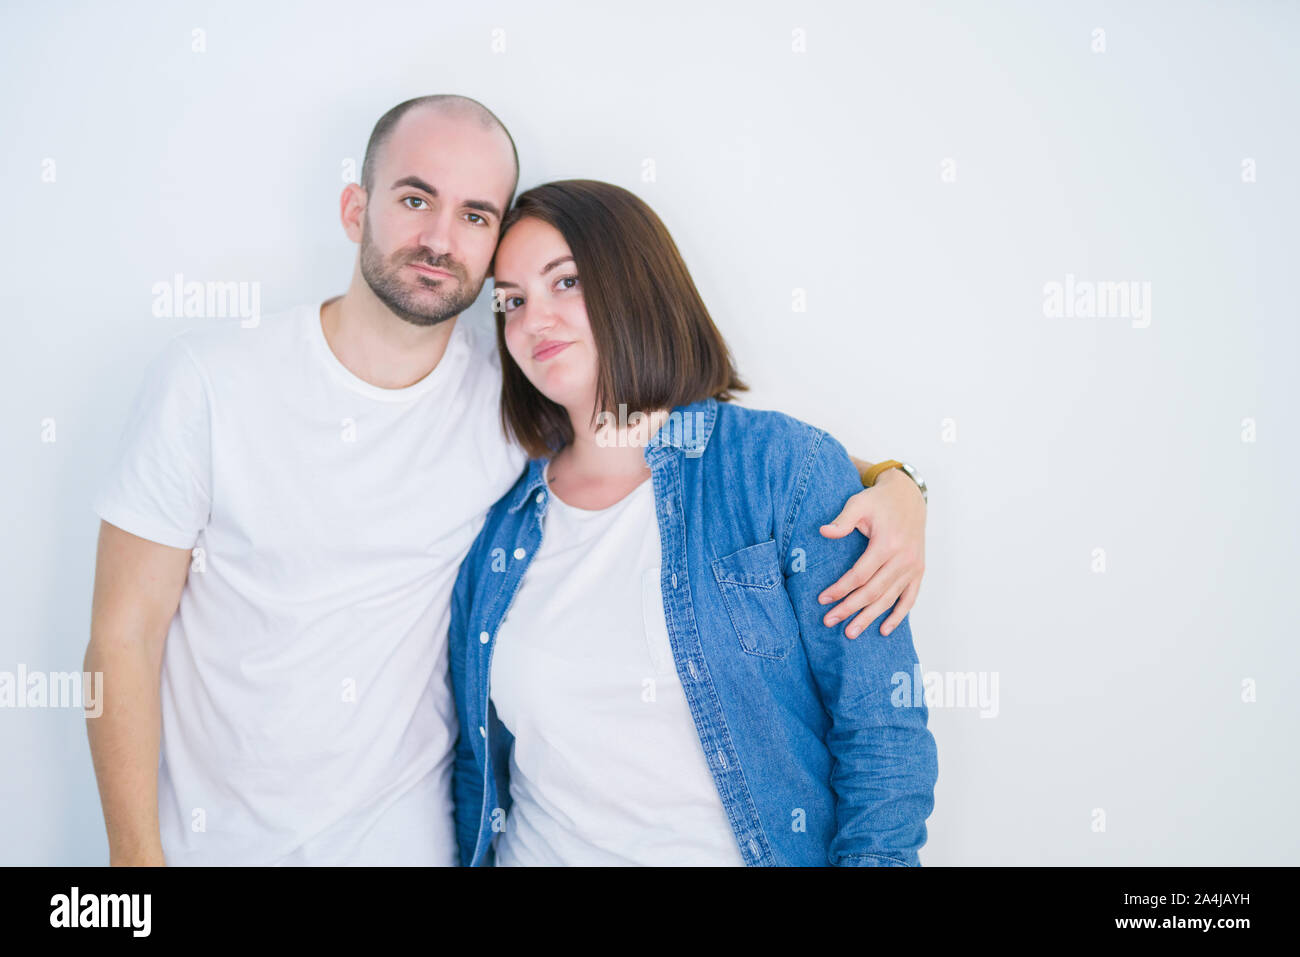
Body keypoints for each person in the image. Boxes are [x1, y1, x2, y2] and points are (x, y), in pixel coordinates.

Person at [85, 95, 929, 866]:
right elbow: (121, 637)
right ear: (356, 209)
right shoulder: (223, 385)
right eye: (415, 199)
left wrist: (897, 483)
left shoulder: (537, 409)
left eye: (476, 215)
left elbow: (875, 729)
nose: (441, 238)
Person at [449, 180, 938, 866]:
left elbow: (881, 734)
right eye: (512, 301)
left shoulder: (779, 468)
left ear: (636, 284)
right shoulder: (502, 528)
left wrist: (900, 480)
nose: (533, 322)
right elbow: (479, 771)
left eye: (566, 282)